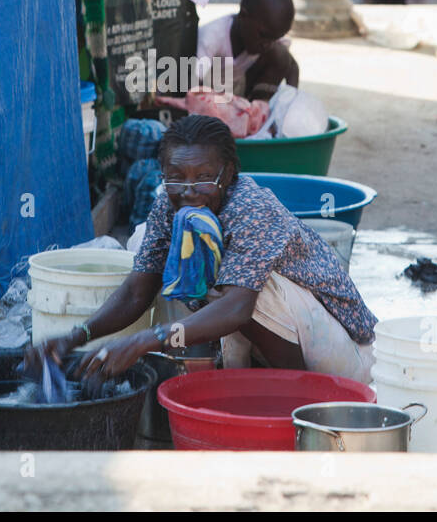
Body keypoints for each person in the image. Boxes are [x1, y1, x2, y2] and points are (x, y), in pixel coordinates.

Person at [27, 115, 377, 382]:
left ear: (228, 174)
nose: (188, 190)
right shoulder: (170, 206)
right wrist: (73, 337)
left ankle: (294, 398)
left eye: (203, 176)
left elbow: (238, 309)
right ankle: (223, 380)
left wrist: (146, 341)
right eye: (176, 176)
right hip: (283, 338)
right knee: (160, 249)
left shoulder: (252, 208)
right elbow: (137, 291)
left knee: (248, 290)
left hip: (343, 357)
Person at [195, 0, 300, 100]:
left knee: (280, 54)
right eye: (263, 35)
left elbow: (292, 66)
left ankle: (258, 107)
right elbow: (192, 86)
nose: (266, 45)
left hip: (235, 92)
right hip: (207, 93)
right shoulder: (211, 38)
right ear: (243, 16)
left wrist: (291, 102)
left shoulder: (265, 38)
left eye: (274, 38)